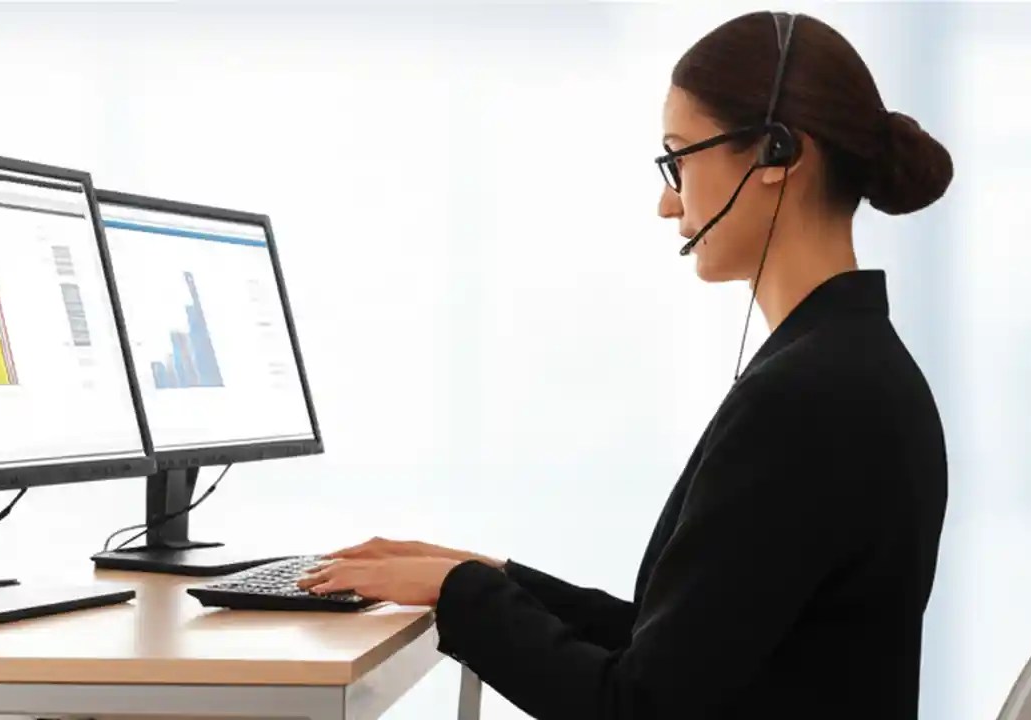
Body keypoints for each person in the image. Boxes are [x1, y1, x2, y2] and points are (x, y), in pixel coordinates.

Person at [299, 10, 952, 719]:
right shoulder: (853, 367)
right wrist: (484, 576)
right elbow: (677, 650)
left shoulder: (810, 400)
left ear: (776, 154)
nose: (667, 202)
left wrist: (465, 596)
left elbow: (636, 708)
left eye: (679, 158)